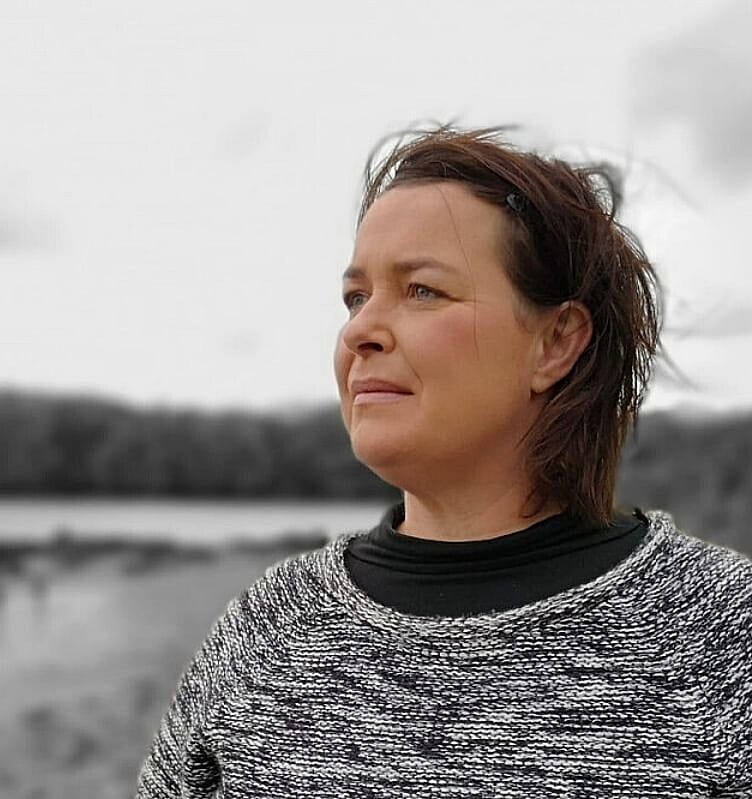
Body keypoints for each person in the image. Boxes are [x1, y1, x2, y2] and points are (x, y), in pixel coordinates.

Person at [134, 126, 752, 797]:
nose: (358, 330)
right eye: (355, 296)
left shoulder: (719, 634)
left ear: (556, 342)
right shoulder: (266, 629)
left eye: (422, 290)